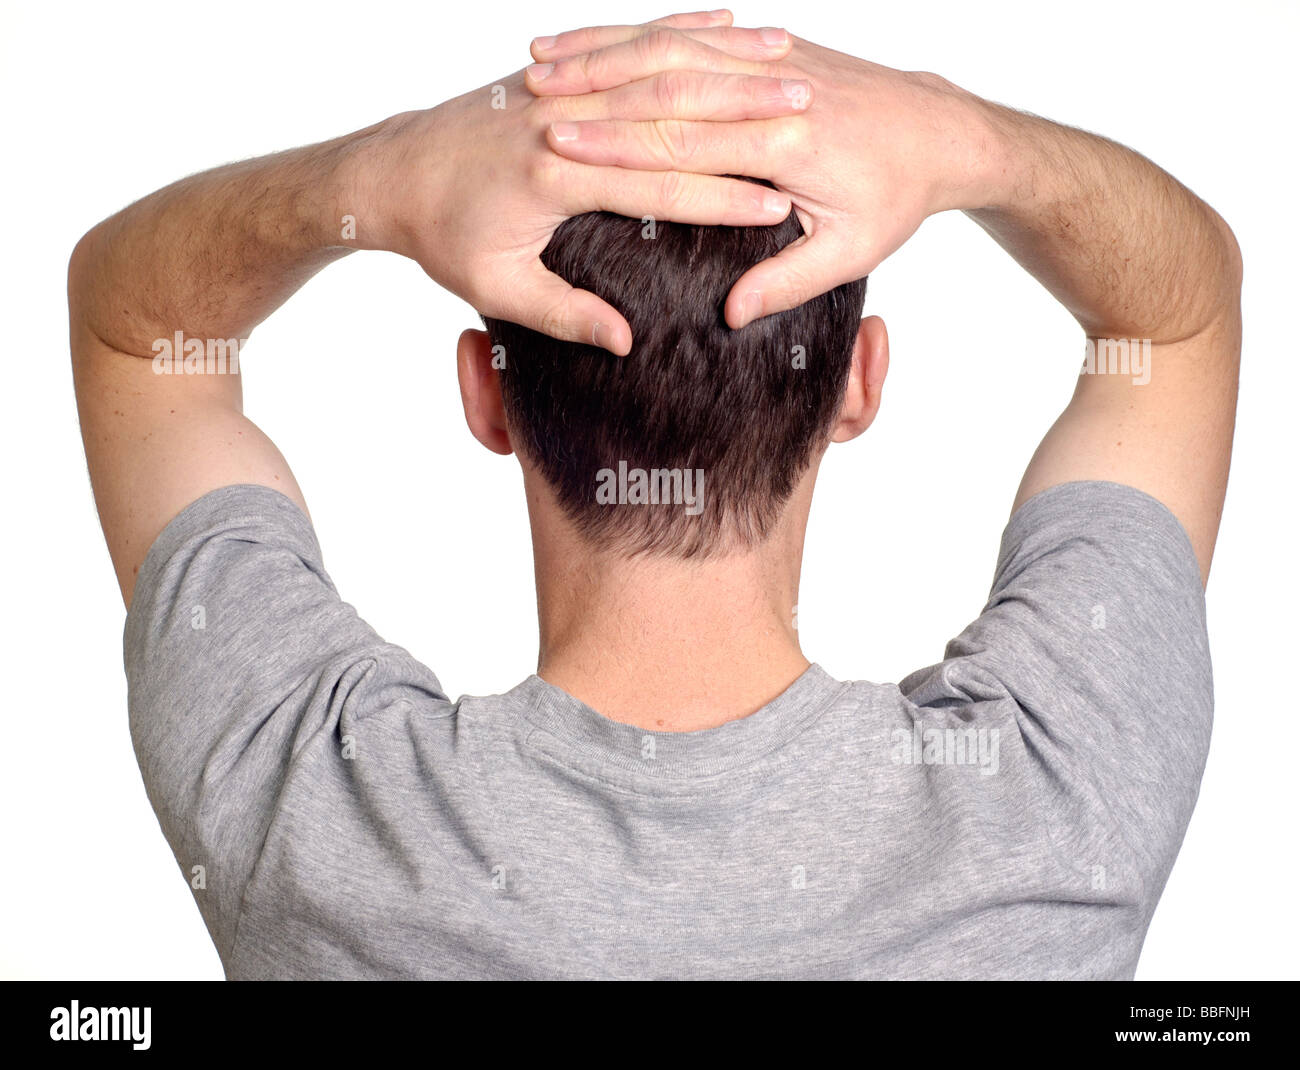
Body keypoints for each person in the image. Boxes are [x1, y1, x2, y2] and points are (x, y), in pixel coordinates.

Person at [68, 11, 1240, 979]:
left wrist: (373, 177)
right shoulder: (1054, 793)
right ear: (859, 381)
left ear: (485, 392)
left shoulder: (309, 808)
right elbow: (1176, 315)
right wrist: (971, 140)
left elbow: (141, 332)